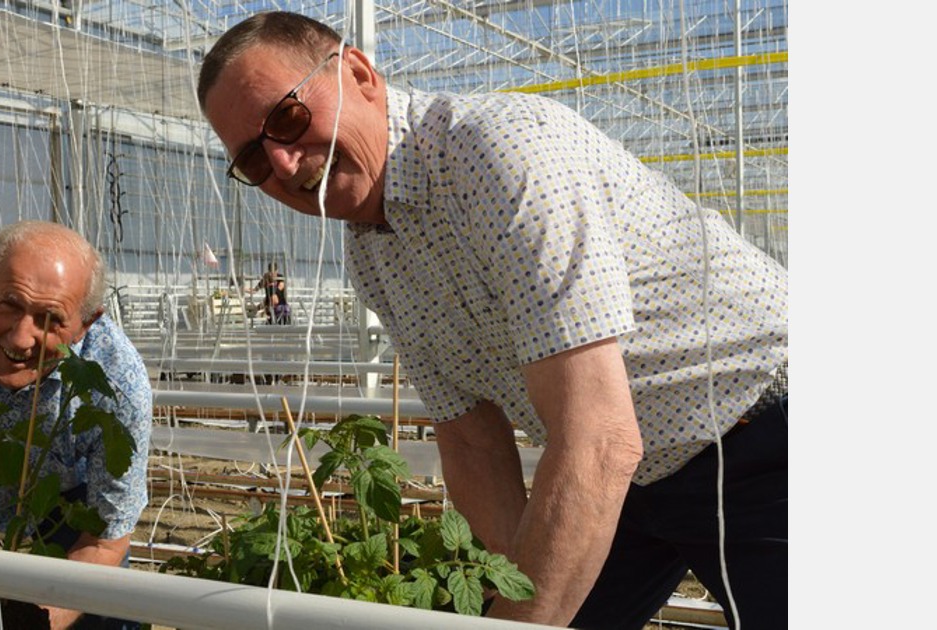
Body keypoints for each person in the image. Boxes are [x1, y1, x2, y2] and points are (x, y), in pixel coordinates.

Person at [197, 11, 788, 629]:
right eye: (254, 163)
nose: (285, 165)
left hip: (765, 435)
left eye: (286, 120)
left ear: (359, 73)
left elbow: (599, 436)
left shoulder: (499, 151)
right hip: (635, 479)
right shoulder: (370, 253)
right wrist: (515, 600)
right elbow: (471, 439)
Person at [0, 220, 152, 630]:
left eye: (50, 318)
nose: (22, 339)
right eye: (9, 304)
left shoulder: (117, 386)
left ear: (86, 324)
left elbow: (104, 538)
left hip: (71, 518)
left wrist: (36, 622)